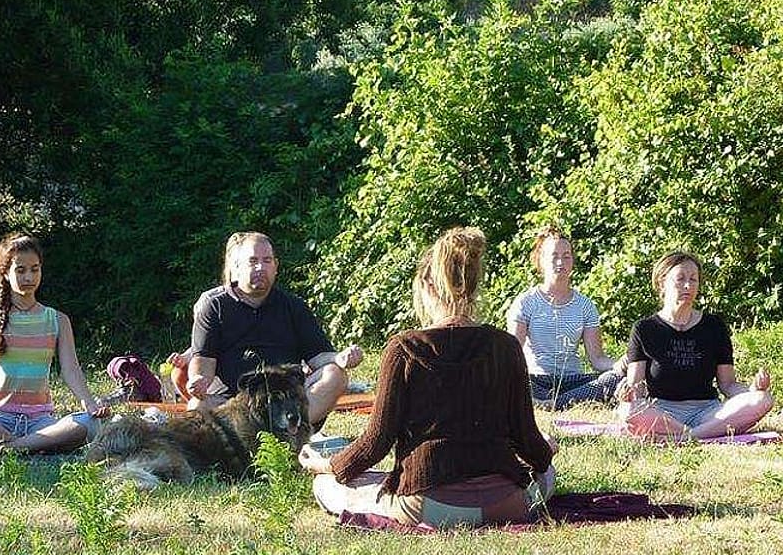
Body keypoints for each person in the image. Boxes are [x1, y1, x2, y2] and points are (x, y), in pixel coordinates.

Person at [298, 227, 555, 529]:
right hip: (505, 505)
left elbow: (376, 443)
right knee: (548, 474)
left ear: (428, 287)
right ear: (475, 284)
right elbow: (529, 444)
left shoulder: (404, 349)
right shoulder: (506, 346)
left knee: (326, 485)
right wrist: (547, 449)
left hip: (428, 505)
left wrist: (326, 465)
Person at [0, 232, 110, 453]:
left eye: (35, 269)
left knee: (90, 424)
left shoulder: (58, 320)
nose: (29, 277)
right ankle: (28, 445)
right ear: (5, 273)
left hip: (41, 423)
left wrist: (89, 402)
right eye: (20, 270)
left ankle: (4, 449)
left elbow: (71, 369)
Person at [185, 231, 362, 427]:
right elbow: (203, 361)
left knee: (335, 375)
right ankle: (258, 434)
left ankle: (289, 431)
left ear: (276, 266)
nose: (260, 267)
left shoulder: (293, 306)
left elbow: (318, 356)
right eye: (253, 261)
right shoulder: (214, 305)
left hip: (288, 403)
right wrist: (199, 380)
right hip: (233, 405)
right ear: (236, 267)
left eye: (267, 260)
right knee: (197, 407)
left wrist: (340, 358)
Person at [617, 251, 773, 440]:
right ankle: (700, 434)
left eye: (693, 279)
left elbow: (728, 384)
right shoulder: (644, 328)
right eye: (680, 279)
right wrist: (628, 394)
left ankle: (685, 437)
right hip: (663, 412)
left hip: (709, 412)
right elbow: (636, 387)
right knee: (628, 410)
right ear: (662, 283)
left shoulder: (714, 326)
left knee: (763, 399)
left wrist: (752, 390)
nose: (688, 285)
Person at [506, 226, 626, 409]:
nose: (560, 262)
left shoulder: (585, 305)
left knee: (615, 378)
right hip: (535, 380)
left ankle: (552, 404)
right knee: (509, 379)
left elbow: (597, 359)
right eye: (554, 256)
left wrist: (621, 364)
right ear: (541, 260)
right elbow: (512, 354)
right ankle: (559, 403)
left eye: (566, 256)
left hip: (573, 381)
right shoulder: (525, 302)